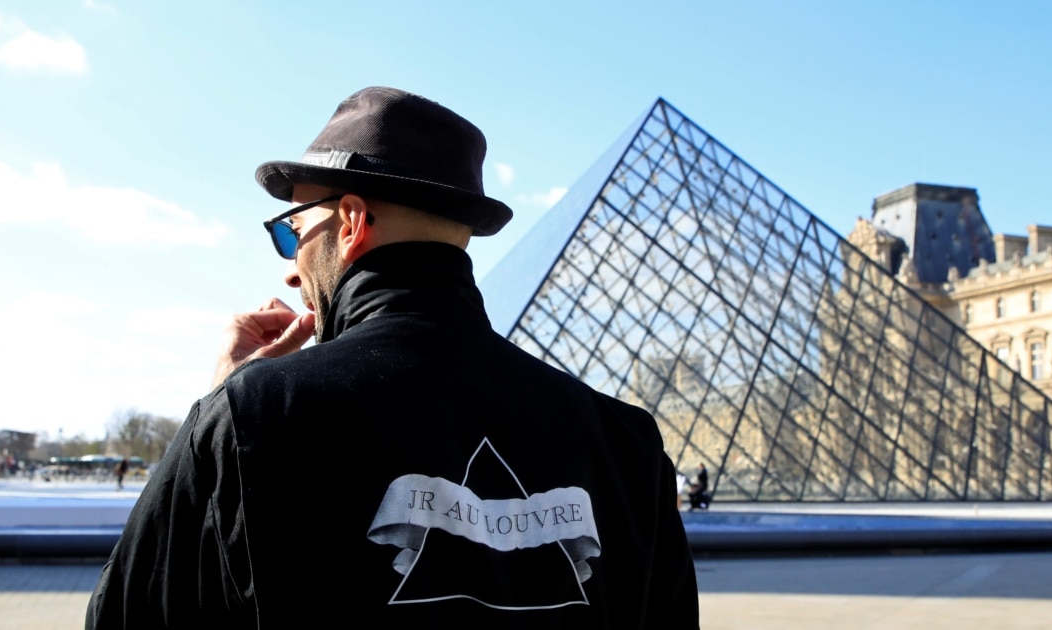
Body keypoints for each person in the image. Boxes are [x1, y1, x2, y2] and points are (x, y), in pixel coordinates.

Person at [86, 87, 697, 628]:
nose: (293, 269)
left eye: (292, 231)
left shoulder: (254, 416)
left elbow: (124, 615)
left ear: (351, 221)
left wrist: (223, 405)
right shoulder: (627, 442)